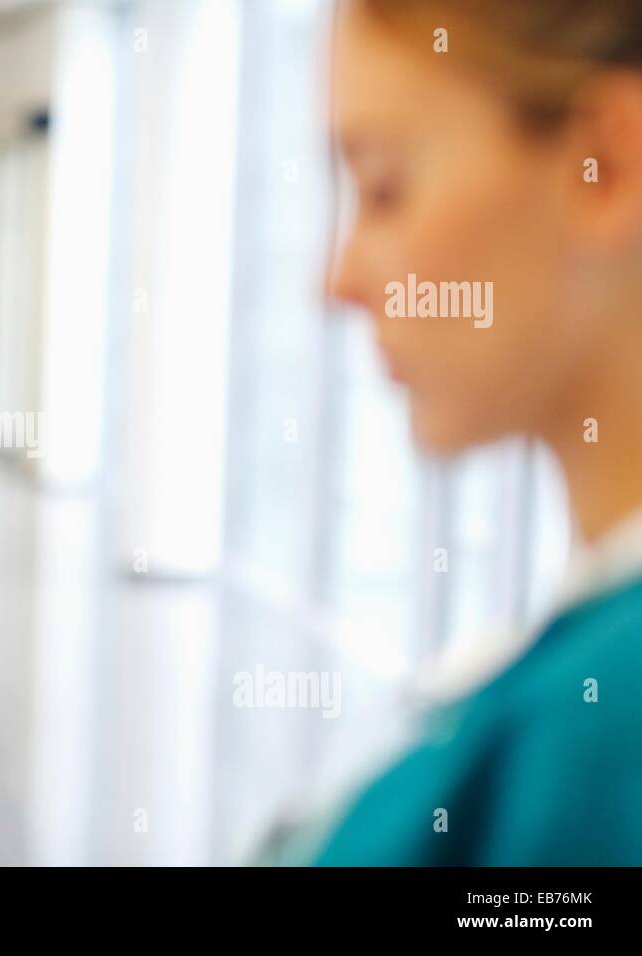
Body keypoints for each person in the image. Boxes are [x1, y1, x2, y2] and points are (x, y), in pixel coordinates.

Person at [269, 0, 642, 865]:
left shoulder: (588, 748)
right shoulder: (559, 689)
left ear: (606, 166)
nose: (339, 280)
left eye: (385, 188)